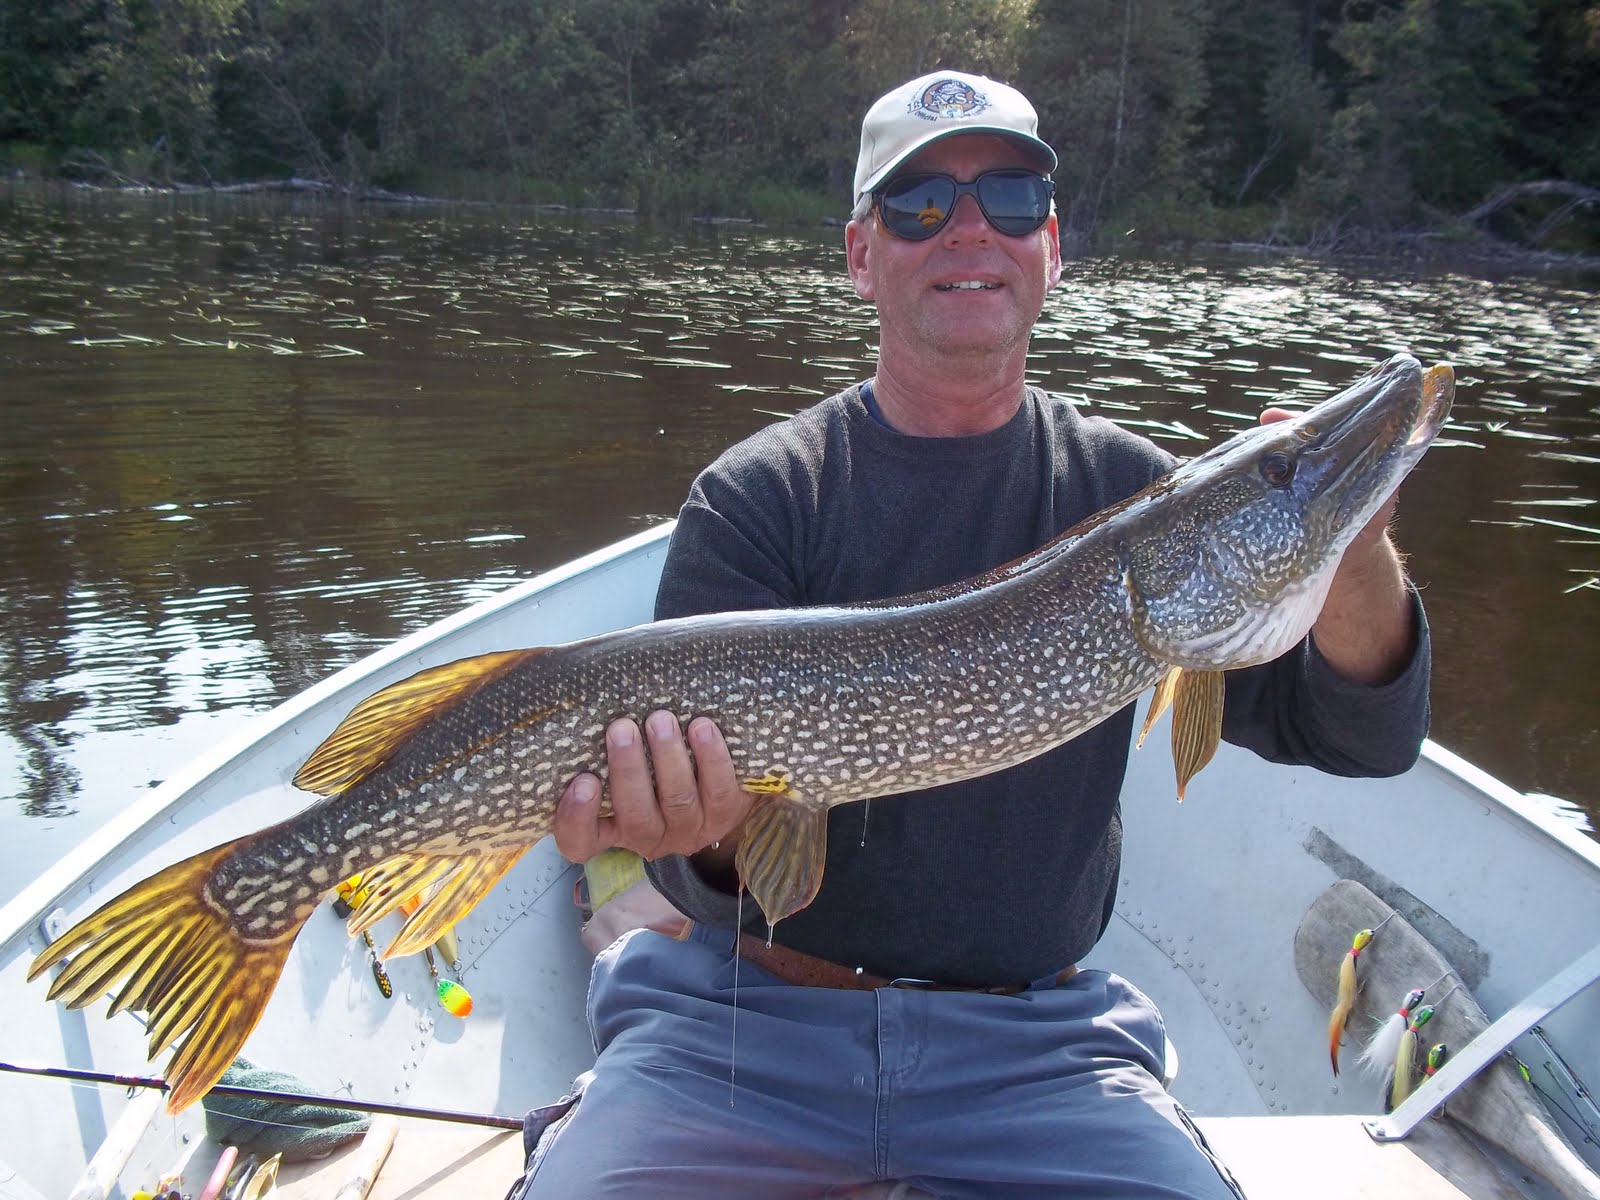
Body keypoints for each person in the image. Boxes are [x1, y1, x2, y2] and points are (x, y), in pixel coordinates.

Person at [510, 70, 1431, 1199]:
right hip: (746, 1032)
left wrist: (1353, 542)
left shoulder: (1137, 497)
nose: (967, 231)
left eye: (1007, 197)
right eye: (917, 206)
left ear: (1051, 247)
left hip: (1038, 1053)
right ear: (860, 256)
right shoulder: (762, 497)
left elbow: (1361, 738)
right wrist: (698, 838)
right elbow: (706, 881)